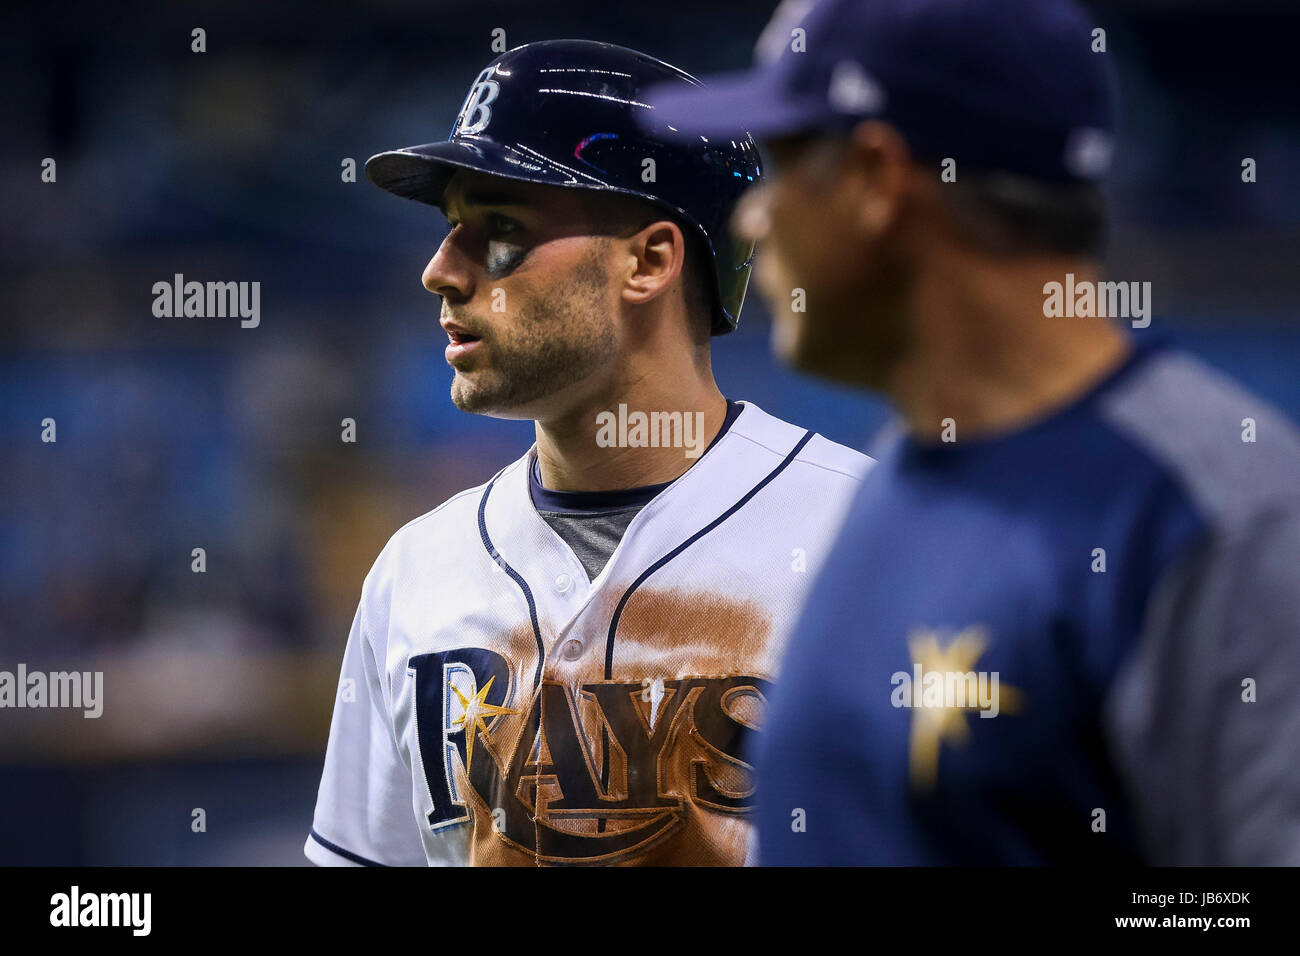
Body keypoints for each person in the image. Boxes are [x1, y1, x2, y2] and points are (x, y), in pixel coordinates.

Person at [647, 0, 1300, 864]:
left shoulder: (1214, 511)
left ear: (877, 178)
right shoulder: (900, 475)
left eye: (785, 164)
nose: (753, 219)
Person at [305, 39, 872, 867]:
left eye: (499, 231)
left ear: (648, 262)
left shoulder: (860, 535)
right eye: (450, 228)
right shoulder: (414, 574)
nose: (440, 272)